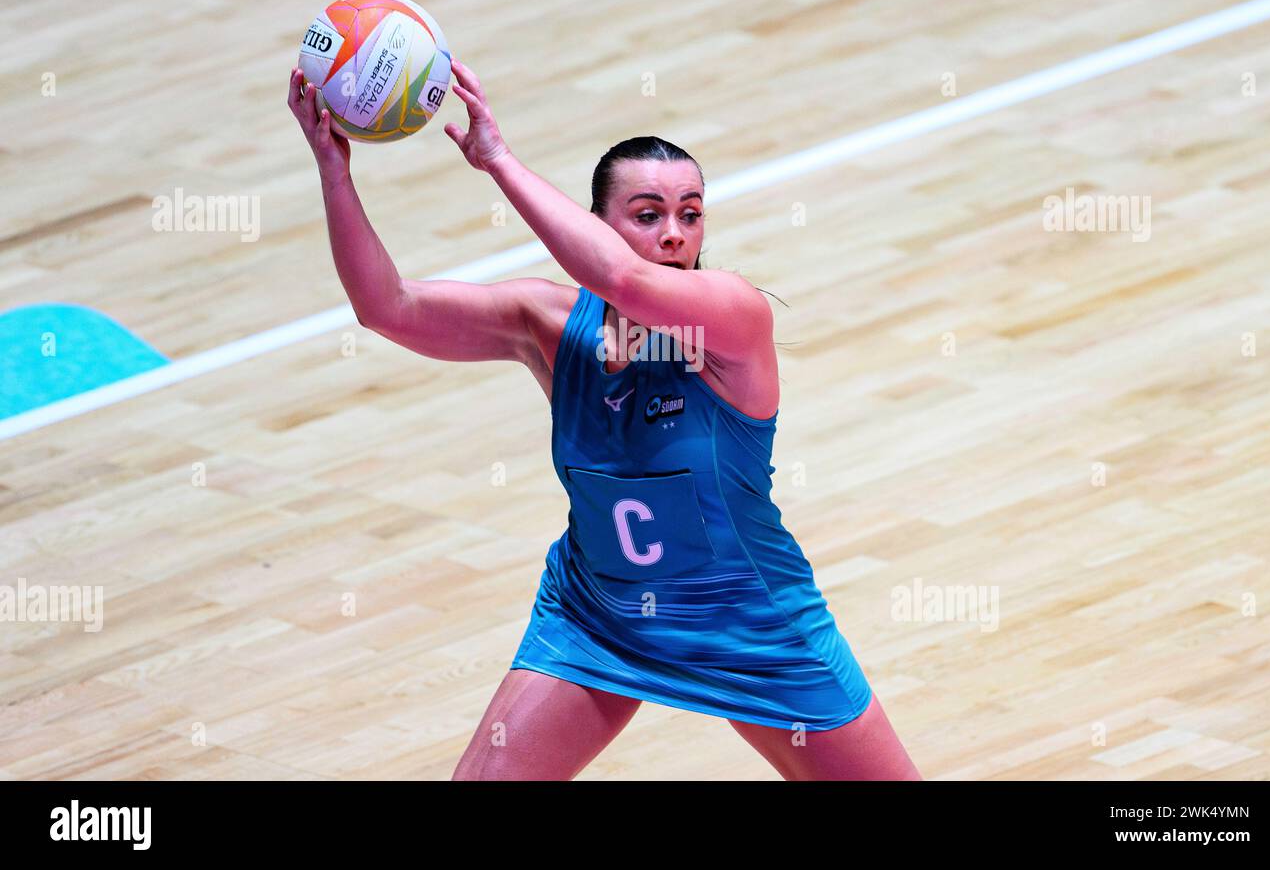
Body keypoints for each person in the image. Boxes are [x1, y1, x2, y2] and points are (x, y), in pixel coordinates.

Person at [287, 59, 921, 781]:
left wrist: (496, 159)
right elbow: (387, 309)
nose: (676, 233)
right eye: (647, 214)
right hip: (599, 618)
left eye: (691, 212)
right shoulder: (547, 326)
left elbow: (622, 278)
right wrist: (334, 171)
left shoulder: (733, 320)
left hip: (749, 625)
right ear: (596, 227)